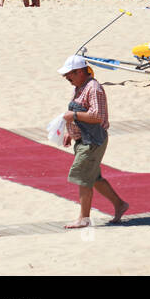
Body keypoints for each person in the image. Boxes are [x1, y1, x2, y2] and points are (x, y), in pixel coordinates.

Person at [57, 55, 128, 229]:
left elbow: (97, 116)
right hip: (83, 139)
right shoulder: (80, 87)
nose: (68, 79)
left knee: (83, 177)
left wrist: (73, 116)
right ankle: (120, 205)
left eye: (70, 75)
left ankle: (84, 218)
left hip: (93, 140)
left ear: (80, 71)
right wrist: (70, 131)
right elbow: (81, 112)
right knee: (93, 177)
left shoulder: (94, 89)